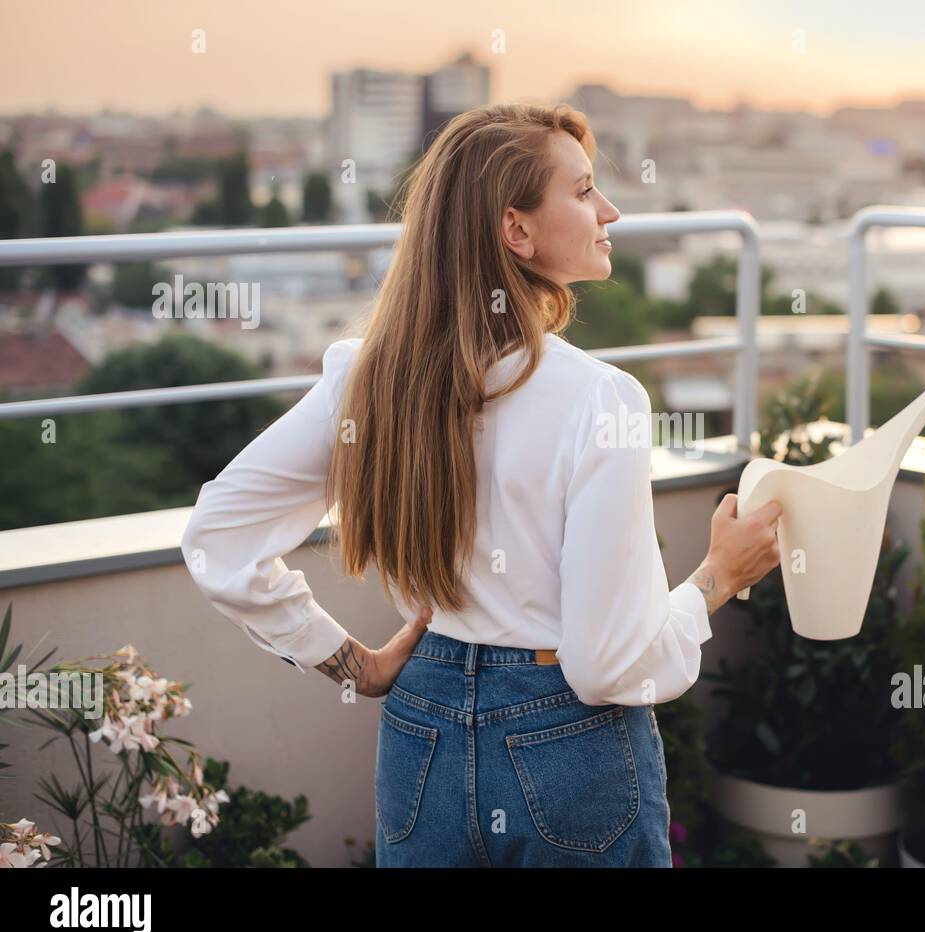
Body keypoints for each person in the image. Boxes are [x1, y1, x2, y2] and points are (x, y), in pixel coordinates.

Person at [180, 103, 782, 867]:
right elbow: (602, 668)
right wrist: (715, 580)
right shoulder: (601, 399)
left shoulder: (364, 381)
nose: (610, 210)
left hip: (418, 731)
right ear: (517, 231)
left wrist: (350, 662)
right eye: (584, 190)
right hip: (567, 744)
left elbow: (216, 539)